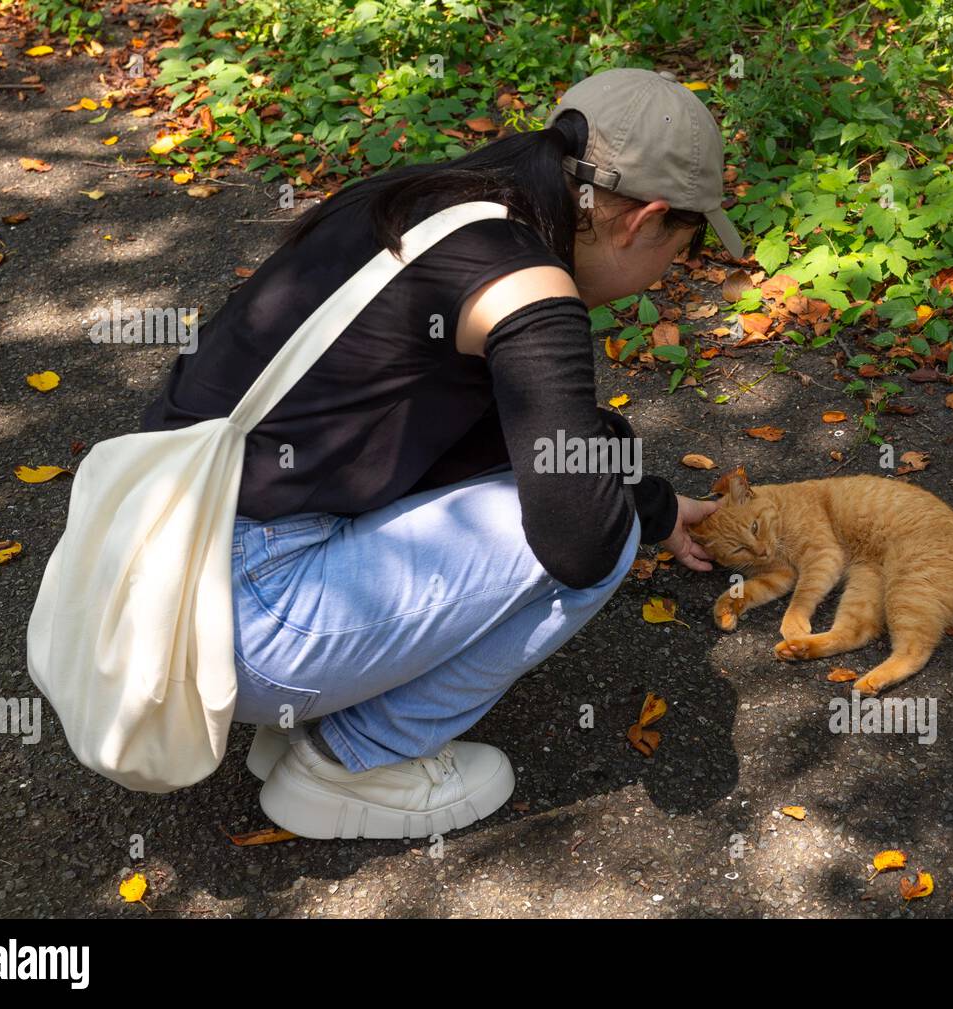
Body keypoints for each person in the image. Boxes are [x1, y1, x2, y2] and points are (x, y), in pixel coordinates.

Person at [140, 67, 743, 839]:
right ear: (644, 220)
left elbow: (485, 431)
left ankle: (302, 714)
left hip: (167, 563)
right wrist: (626, 498)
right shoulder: (528, 285)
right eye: (682, 247)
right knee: (602, 532)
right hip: (246, 624)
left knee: (595, 493)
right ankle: (354, 759)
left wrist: (656, 502)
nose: (672, 270)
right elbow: (577, 535)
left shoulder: (426, 202)